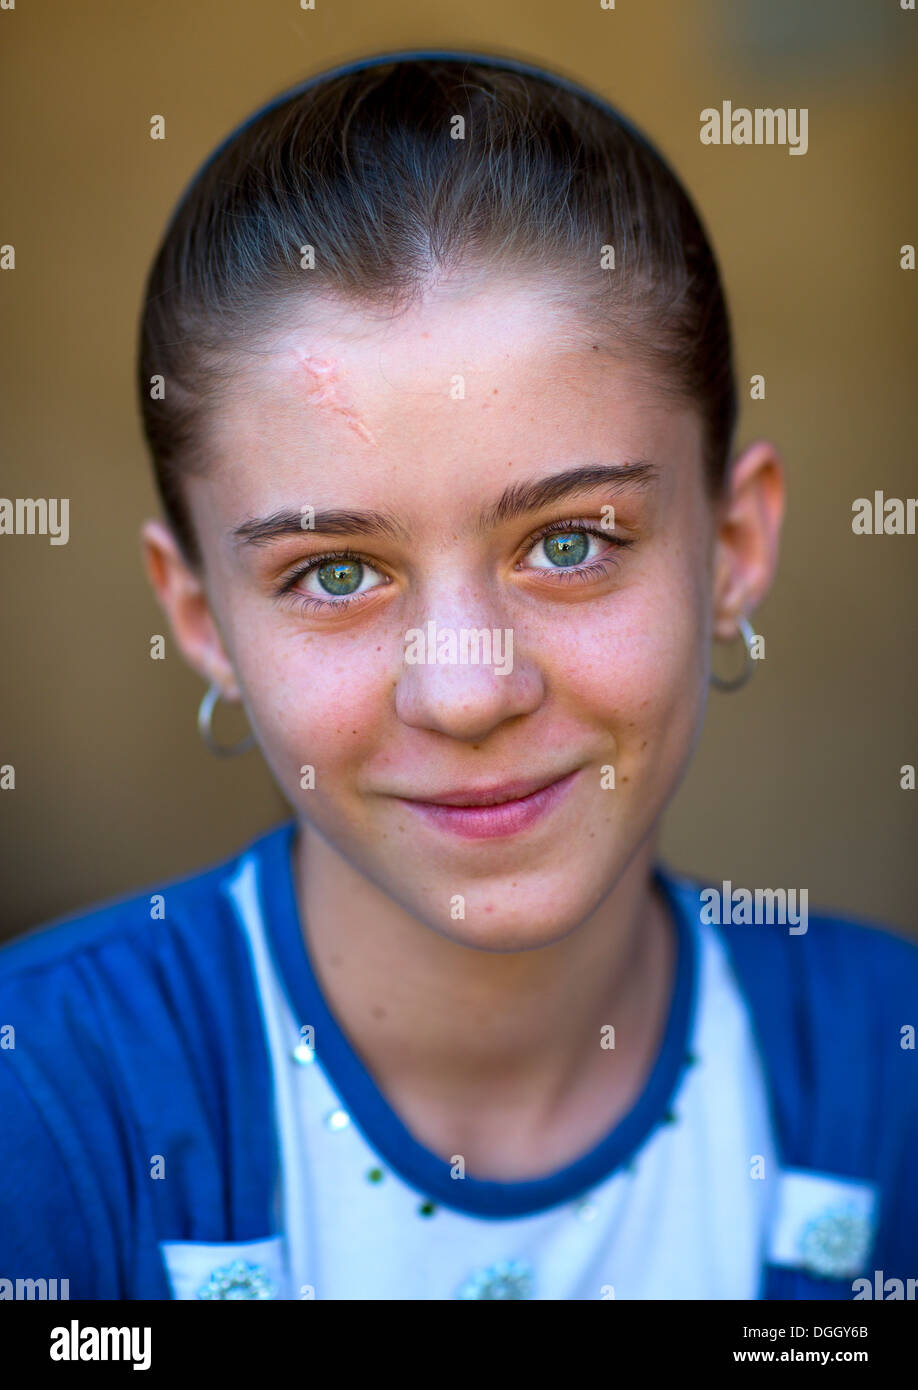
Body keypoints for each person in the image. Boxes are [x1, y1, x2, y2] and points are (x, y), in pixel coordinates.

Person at [1, 50, 915, 1302]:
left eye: (571, 543)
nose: (467, 693)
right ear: (200, 614)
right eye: (334, 573)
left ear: (736, 549)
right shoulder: (44, 1106)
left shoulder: (888, 1083)